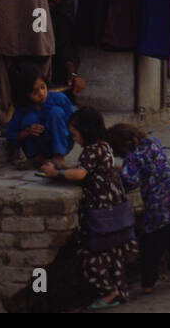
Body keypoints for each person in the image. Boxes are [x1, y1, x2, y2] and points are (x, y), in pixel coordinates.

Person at [41, 108, 135, 309]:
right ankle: (120, 290)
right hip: (115, 208)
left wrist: (54, 174)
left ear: (86, 131)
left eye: (75, 134)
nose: (73, 139)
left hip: (100, 211)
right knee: (113, 253)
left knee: (91, 256)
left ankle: (109, 292)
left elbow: (81, 175)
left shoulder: (92, 151)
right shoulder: (104, 147)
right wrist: (63, 168)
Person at [109, 124, 170, 294]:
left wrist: (118, 173)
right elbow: (148, 166)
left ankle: (148, 284)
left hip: (159, 210)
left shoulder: (132, 157)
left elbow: (129, 182)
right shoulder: (153, 143)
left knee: (150, 249)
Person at [3, 62, 75, 167]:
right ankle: (36, 158)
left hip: (61, 142)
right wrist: (27, 132)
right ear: (24, 94)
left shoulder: (59, 99)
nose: (41, 93)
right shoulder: (22, 109)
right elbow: (11, 134)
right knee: (28, 119)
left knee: (56, 112)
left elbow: (74, 122)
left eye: (43, 87)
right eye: (35, 92)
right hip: (39, 145)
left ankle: (58, 157)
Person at [41, 0, 84, 101]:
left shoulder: (62, 20)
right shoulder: (31, 16)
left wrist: (73, 74)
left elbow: (67, 51)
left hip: (55, 83)